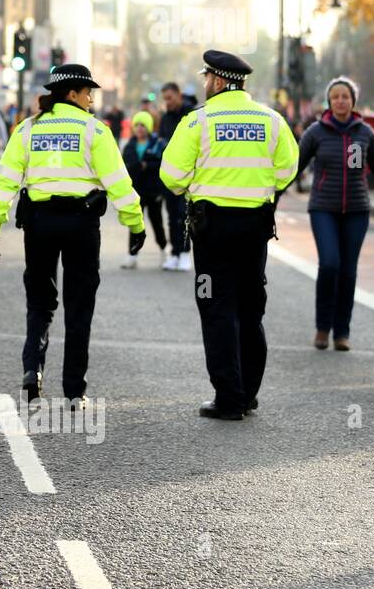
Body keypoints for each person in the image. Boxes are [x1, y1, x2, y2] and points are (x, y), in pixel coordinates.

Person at [0, 64, 145, 407]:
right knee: (79, 306)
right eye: (88, 92)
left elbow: (5, 181)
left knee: (39, 301)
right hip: (81, 225)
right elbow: (119, 183)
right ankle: (74, 390)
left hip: (39, 223)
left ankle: (32, 372)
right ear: (72, 93)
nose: (91, 99)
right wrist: (135, 224)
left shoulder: (27, 129)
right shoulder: (95, 131)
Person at [160, 50, 299, 420]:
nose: (205, 84)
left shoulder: (197, 122)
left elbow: (170, 175)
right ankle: (248, 393)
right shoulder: (272, 121)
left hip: (213, 231)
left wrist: (199, 184)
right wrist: (257, 186)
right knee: (251, 310)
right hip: (255, 229)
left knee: (216, 309)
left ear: (219, 81)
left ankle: (229, 398)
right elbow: (287, 170)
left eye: (207, 78)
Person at [296, 76, 374, 351]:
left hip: (356, 210)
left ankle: (341, 332)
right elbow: (294, 166)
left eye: (345, 96)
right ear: (329, 102)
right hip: (323, 208)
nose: (340, 101)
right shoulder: (316, 132)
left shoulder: (364, 133)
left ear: (353, 101)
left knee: (348, 272)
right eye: (335, 97)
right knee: (329, 264)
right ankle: (322, 328)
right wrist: (272, 199)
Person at [119, 110, 168, 269]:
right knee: (134, 224)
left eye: (143, 125)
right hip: (136, 192)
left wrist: (148, 165)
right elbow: (124, 166)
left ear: (148, 127)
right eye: (137, 125)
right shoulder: (129, 146)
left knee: (156, 223)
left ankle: (164, 251)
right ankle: (132, 255)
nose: (139, 128)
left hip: (153, 192)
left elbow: (162, 165)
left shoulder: (157, 144)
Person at [158, 82, 195, 271]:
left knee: (185, 215)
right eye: (165, 99)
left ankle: (185, 253)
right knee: (172, 216)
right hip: (170, 175)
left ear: (179, 95)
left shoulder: (192, 115)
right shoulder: (165, 118)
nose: (167, 102)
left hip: (188, 176)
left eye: (170, 98)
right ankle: (174, 253)